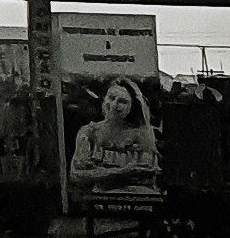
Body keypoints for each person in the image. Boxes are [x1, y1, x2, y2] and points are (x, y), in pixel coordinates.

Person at [68, 76, 162, 216]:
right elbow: (76, 175)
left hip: (138, 199)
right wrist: (123, 172)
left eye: (122, 101)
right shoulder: (89, 132)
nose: (114, 105)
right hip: (100, 199)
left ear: (132, 105)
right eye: (111, 98)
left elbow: (149, 173)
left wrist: (99, 172)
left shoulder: (142, 134)